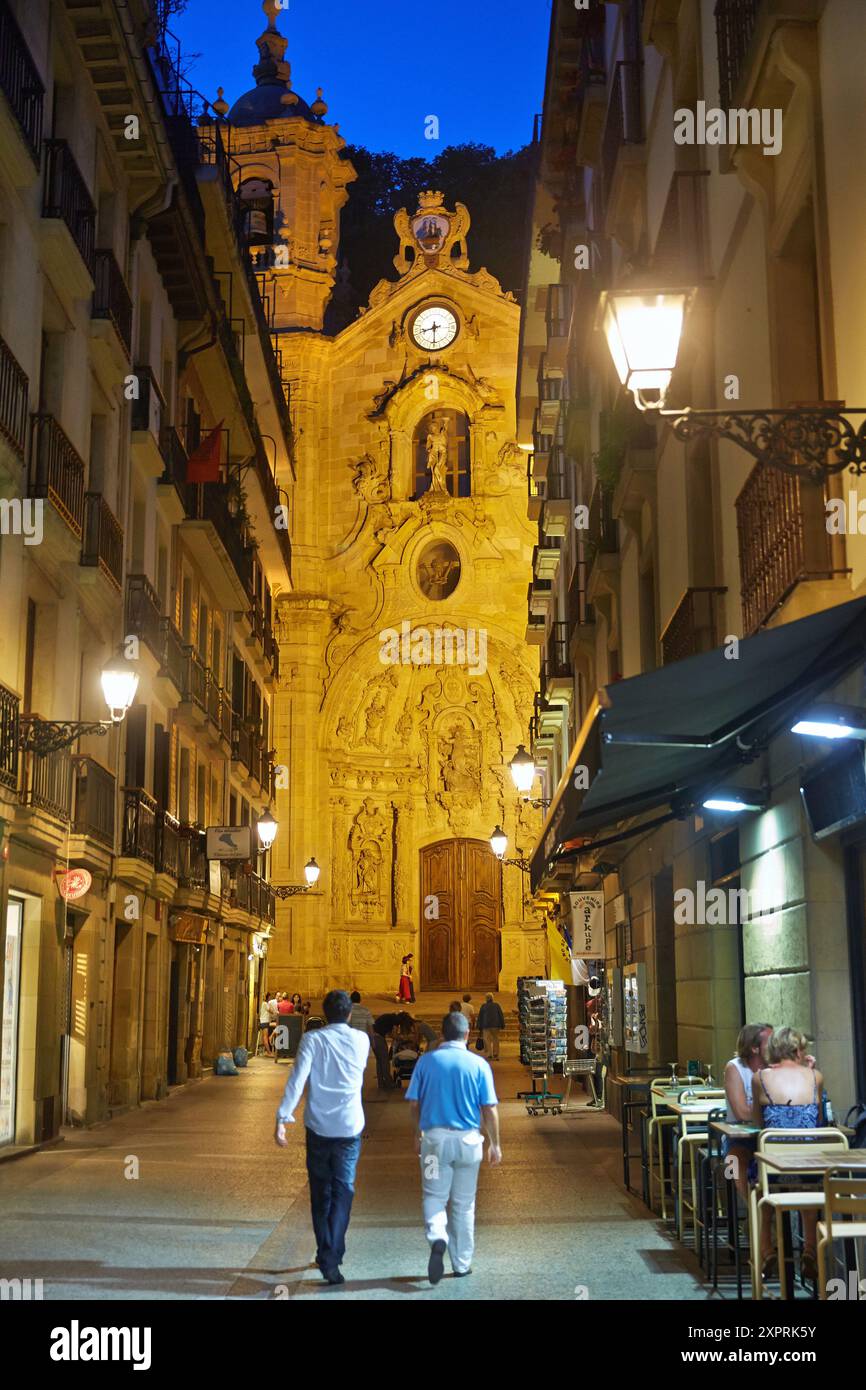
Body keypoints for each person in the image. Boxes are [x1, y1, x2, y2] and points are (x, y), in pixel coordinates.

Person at [274, 989, 370, 1285]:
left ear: (325, 1013)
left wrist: (283, 1117)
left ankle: (327, 1253)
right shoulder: (362, 1040)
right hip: (349, 1128)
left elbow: (297, 1078)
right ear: (350, 1013)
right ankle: (332, 1254)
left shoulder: (313, 1040)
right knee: (344, 1192)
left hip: (318, 1128)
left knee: (321, 1195)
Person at [405, 1010, 501, 1283]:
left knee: (434, 1195)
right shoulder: (478, 1064)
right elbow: (490, 1109)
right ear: (468, 1034)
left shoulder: (426, 1062)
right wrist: (495, 1143)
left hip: (434, 1142)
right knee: (464, 1204)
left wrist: (417, 1133)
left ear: (442, 1034)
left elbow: (414, 1104)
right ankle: (461, 1264)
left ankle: (437, 1236)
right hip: (469, 1143)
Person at [750, 1026, 824, 1282]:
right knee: (809, 1190)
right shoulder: (815, 1077)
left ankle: (768, 1251)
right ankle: (811, 1249)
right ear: (797, 1050)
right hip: (810, 1171)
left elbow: (758, 1124)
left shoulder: (760, 1078)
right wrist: (811, 1068)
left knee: (760, 1190)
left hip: (775, 1173)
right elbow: (820, 1122)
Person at [721, 1022, 772, 1201]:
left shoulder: (774, 1068)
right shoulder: (735, 1068)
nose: (775, 1046)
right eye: (770, 1042)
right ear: (754, 1048)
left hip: (769, 1137)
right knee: (736, 1160)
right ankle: (752, 1216)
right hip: (737, 1140)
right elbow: (742, 1113)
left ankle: (774, 1215)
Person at [371, 1011, 403, 1090]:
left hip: (372, 1037)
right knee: (385, 1062)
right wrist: (401, 1038)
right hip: (379, 1038)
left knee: (379, 1062)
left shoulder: (388, 1017)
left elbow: (389, 1034)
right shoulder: (395, 1021)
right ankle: (389, 1084)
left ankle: (381, 1083)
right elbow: (393, 1035)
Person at [477, 994, 505, 1060]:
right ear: (492, 998)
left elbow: (480, 1016)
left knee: (486, 1039)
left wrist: (479, 1026)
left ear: (486, 999)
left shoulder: (483, 1006)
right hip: (495, 1025)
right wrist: (502, 1024)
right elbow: (500, 1015)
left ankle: (489, 1053)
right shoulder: (497, 1005)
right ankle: (495, 1053)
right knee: (496, 1039)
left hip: (486, 1025)